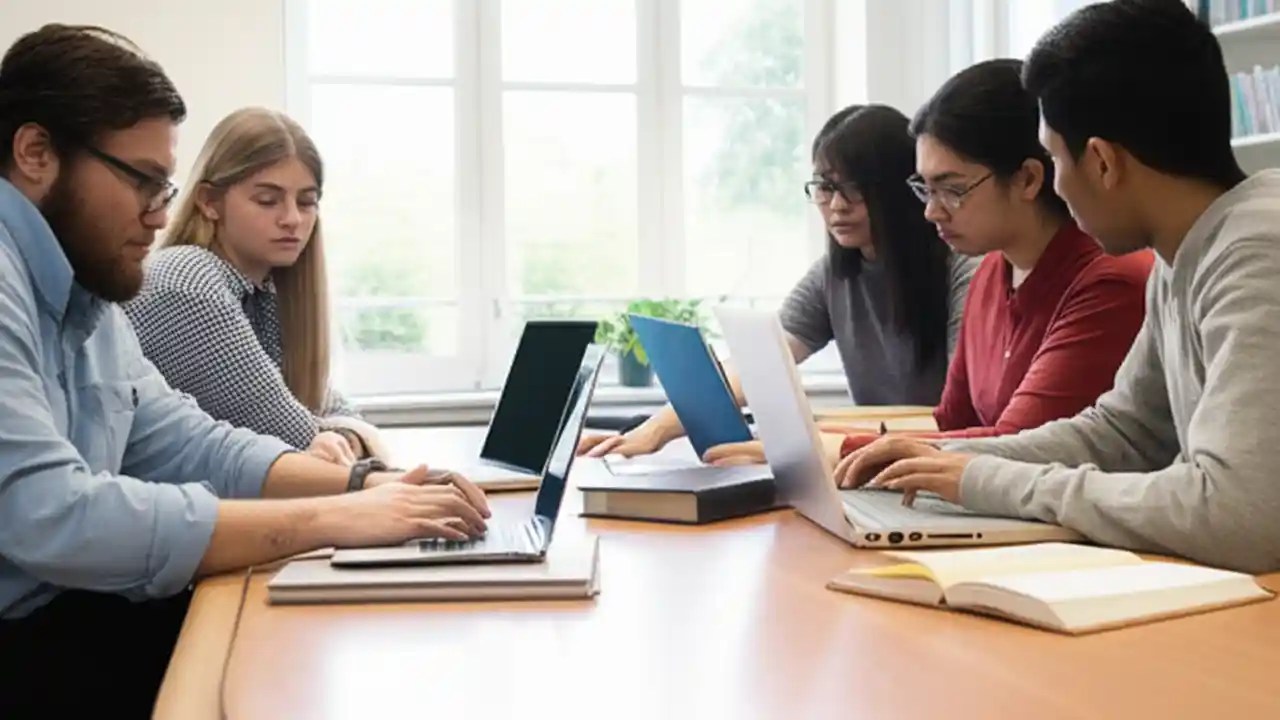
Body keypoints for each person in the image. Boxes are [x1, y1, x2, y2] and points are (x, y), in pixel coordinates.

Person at [0, 25, 489, 716]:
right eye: (141, 180)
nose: (157, 212)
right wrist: (335, 515)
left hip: (64, 616)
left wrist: (365, 484)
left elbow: (187, 440)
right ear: (36, 153)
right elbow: (52, 516)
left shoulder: (89, 288)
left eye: (163, 185)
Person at [836, 0, 1280, 574]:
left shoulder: (1257, 249)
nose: (1055, 186)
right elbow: (1125, 431)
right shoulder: (1186, 250)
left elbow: (1237, 517)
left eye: (1051, 156)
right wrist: (949, 458)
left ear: (1100, 162)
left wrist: (988, 480)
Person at [580, 104, 979, 460]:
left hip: (938, 463)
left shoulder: (963, 269)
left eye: (854, 188)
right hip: (868, 462)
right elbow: (755, 368)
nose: (836, 205)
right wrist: (653, 430)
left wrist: (799, 442)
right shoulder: (831, 275)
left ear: (900, 190)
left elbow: (960, 414)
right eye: (825, 187)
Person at [827, 59, 1153, 460]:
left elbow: (1013, 447)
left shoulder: (1107, 283)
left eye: (951, 189)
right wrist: (817, 438)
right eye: (924, 189)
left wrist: (837, 448)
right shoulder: (991, 272)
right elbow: (952, 421)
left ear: (1028, 179)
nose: (931, 211)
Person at [125, 107, 381, 467]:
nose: (292, 219)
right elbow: (292, 440)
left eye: (307, 202)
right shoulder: (186, 280)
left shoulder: (262, 292)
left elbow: (335, 410)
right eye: (267, 200)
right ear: (209, 202)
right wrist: (341, 438)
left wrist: (344, 436)